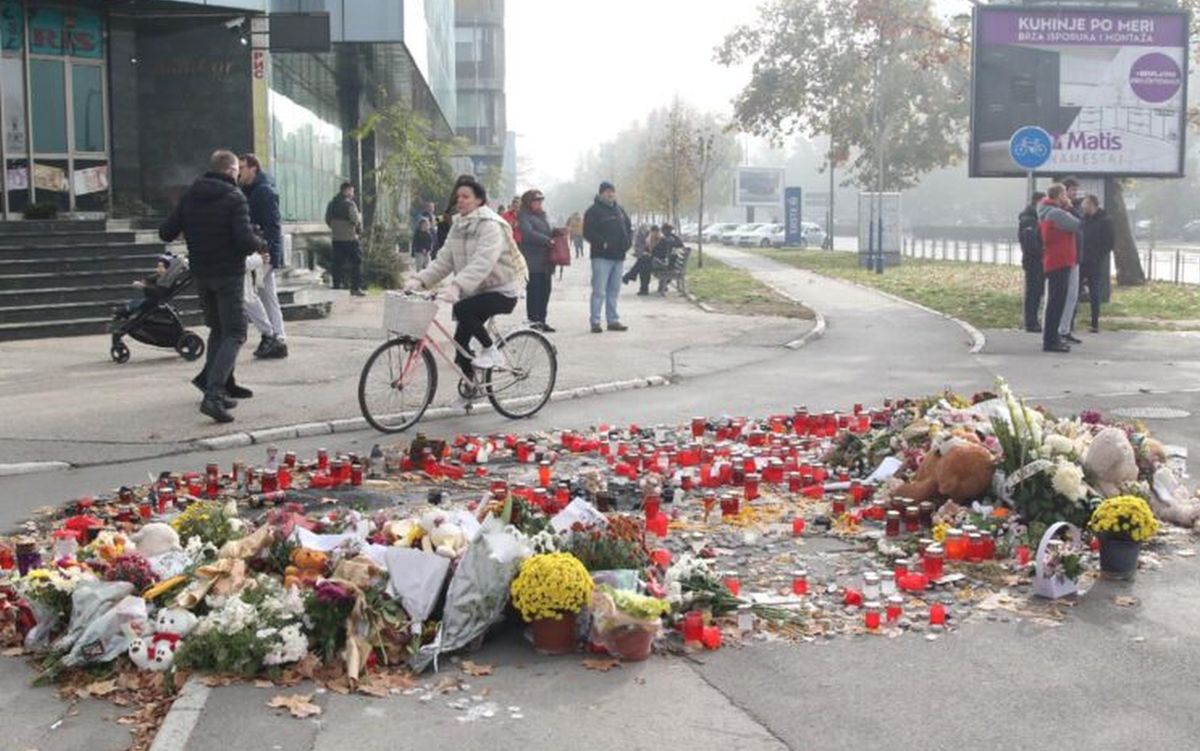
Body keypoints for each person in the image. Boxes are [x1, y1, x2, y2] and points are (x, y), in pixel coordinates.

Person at [160, 149, 264, 422]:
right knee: (235, 332)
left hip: (202, 273)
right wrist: (257, 240)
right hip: (228, 273)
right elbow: (243, 241)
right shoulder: (234, 198)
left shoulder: (190, 196)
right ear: (231, 171)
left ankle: (222, 383)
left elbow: (166, 232)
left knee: (218, 329)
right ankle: (214, 394)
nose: (239, 175)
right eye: (237, 171)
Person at [404, 178, 527, 408]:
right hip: (476, 291)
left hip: (501, 290)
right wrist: (419, 281)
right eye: (457, 196)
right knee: (460, 345)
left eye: (466, 196)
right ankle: (472, 390)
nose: (459, 200)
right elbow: (443, 261)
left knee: (461, 308)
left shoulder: (491, 225)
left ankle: (491, 351)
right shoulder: (458, 226)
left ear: (479, 200)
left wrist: (457, 286)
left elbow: (483, 262)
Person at [238, 154, 288, 358]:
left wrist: (267, 250)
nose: (239, 172)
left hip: (262, 252)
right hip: (262, 250)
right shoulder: (251, 190)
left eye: (242, 167)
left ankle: (272, 336)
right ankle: (279, 338)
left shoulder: (263, 191)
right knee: (268, 296)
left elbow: (272, 224)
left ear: (253, 168)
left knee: (250, 295)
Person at [583, 181, 632, 333]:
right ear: (601, 193)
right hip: (601, 257)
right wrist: (603, 243)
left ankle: (613, 320)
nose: (610, 194)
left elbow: (629, 228)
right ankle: (595, 322)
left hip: (618, 257)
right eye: (607, 191)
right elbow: (588, 232)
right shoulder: (593, 211)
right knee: (599, 291)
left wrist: (628, 242)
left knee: (614, 291)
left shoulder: (620, 210)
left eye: (612, 191)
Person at [1038, 184, 1081, 354]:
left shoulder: (1048, 211)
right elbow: (1077, 224)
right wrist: (1070, 208)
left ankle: (1053, 337)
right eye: (1065, 194)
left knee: (1056, 302)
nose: (1067, 197)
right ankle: (1050, 340)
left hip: (1057, 259)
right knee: (1056, 303)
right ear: (1059, 195)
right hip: (1059, 260)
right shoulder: (1056, 213)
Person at [517, 189, 556, 332]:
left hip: (546, 260)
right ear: (528, 202)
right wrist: (548, 241)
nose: (539, 203)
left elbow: (549, 230)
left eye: (540, 200)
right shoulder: (524, 215)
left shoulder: (543, 215)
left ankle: (542, 320)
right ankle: (533, 322)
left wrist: (557, 232)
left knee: (545, 291)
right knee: (534, 292)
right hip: (532, 260)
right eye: (536, 200)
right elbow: (528, 233)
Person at [1080, 194, 1114, 333]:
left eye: (1085, 204)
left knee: (1094, 291)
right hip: (1081, 260)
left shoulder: (1105, 220)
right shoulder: (1083, 220)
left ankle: (1094, 322)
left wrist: (1098, 256)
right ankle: (1069, 321)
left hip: (1095, 261)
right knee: (1075, 290)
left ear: (1092, 204)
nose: (1083, 207)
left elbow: (1109, 242)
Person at [325, 182, 365, 296]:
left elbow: (327, 220)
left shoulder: (331, 204)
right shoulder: (349, 204)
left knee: (337, 263)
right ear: (346, 191)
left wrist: (336, 229)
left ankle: (337, 285)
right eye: (352, 191)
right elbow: (356, 220)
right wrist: (358, 228)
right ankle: (355, 288)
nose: (353, 194)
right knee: (356, 262)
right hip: (350, 238)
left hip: (336, 238)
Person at [1057, 177, 1083, 344]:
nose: (1074, 193)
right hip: (1064, 258)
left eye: (1075, 190)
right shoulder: (1060, 211)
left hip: (1075, 257)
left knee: (1072, 296)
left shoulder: (1074, 209)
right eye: (1071, 190)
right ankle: (1058, 329)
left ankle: (1065, 329)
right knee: (1061, 295)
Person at [1018, 191, 1045, 333]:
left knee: (1036, 291)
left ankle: (1032, 320)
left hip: (1035, 259)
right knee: (1033, 292)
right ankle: (1031, 322)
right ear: (1038, 202)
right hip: (1033, 260)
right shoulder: (1029, 220)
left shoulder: (1033, 219)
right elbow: (1030, 243)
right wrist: (1042, 252)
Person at [623, 225, 660, 295]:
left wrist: (649, 255)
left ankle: (630, 276)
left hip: (659, 262)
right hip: (655, 261)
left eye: (652, 232)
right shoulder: (655, 239)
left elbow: (658, 253)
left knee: (643, 262)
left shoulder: (660, 239)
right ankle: (642, 288)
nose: (650, 234)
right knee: (643, 264)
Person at [654, 223, 685, 295]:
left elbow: (658, 252)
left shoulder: (665, 240)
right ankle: (663, 285)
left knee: (645, 263)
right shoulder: (677, 239)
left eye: (662, 231)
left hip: (669, 265)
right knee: (645, 262)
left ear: (664, 231)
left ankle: (644, 287)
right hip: (675, 264)